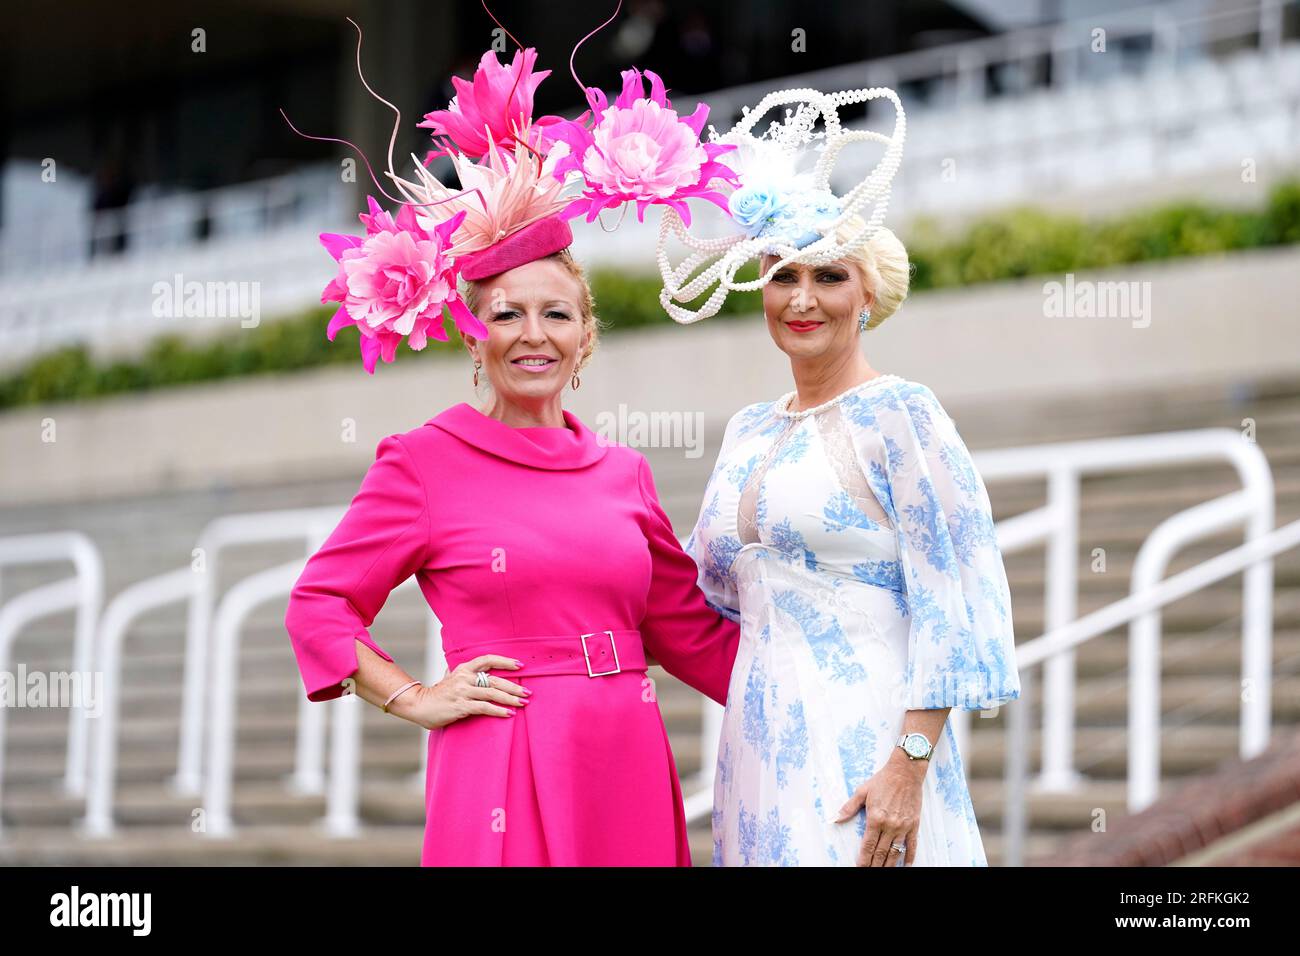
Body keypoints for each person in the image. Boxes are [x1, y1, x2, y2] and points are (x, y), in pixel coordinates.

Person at [282, 29, 742, 865]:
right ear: (473, 336)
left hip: (628, 759)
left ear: (586, 337)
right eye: (507, 315)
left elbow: (693, 636)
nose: (534, 335)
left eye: (557, 315)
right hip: (502, 759)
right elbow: (319, 605)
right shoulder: (422, 461)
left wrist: (836, 668)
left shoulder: (623, 472)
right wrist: (411, 697)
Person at [658, 83, 1021, 866]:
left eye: (829, 277)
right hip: (756, 755)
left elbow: (956, 599)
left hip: (872, 751)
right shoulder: (747, 430)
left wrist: (909, 767)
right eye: (784, 275)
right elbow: (697, 591)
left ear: (868, 293)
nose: (803, 298)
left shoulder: (903, 414)